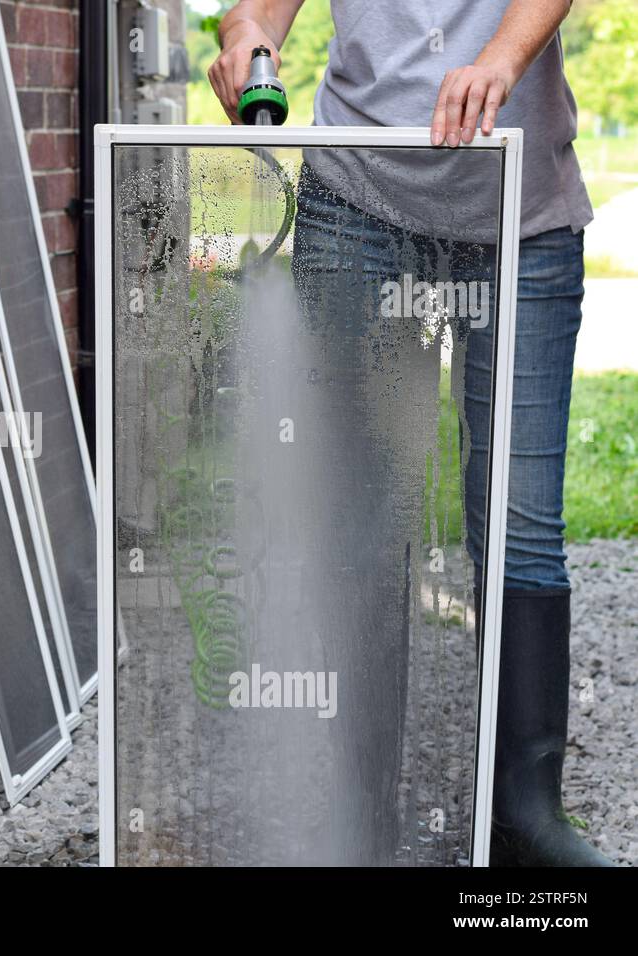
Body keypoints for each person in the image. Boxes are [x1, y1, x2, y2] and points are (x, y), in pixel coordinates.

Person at [208, 0, 613, 866]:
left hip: (522, 212)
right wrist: (245, 39)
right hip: (357, 206)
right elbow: (252, 16)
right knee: (364, 526)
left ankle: (525, 815)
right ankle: (362, 815)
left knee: (519, 527)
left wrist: (501, 58)